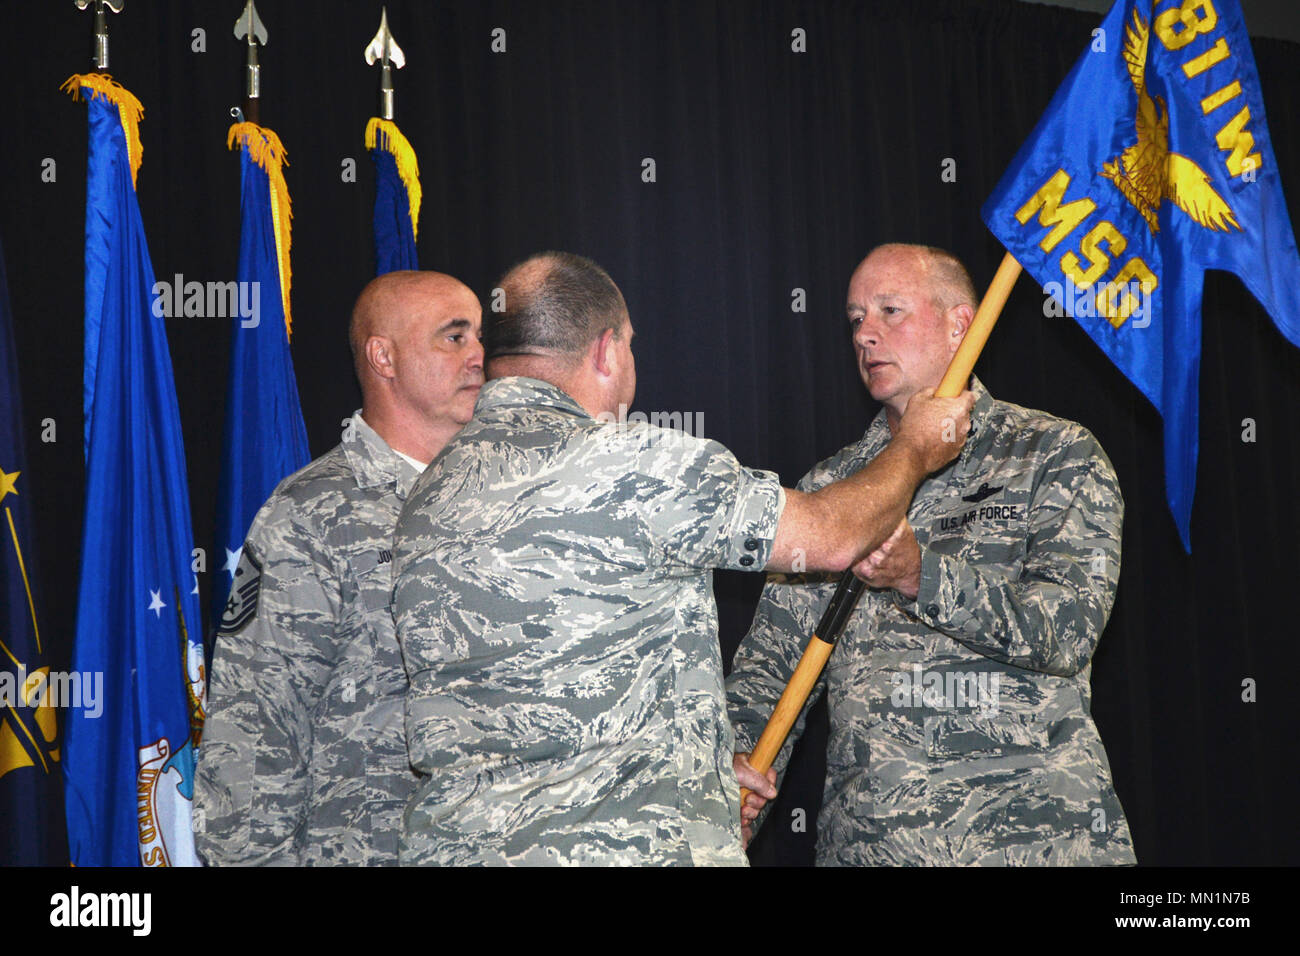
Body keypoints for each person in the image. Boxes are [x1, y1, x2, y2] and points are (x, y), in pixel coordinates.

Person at [392, 250, 973, 865]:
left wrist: (705, 773)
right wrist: (912, 447)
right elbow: (830, 537)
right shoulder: (642, 464)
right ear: (607, 349)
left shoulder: (423, 498)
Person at [727, 243, 1136, 865]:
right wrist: (733, 764)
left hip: (1036, 839)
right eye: (855, 317)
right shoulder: (831, 491)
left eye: (890, 310)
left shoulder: (1053, 454)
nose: (865, 333)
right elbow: (770, 667)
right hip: (876, 844)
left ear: (960, 325)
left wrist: (925, 576)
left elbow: (1069, 630)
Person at [194, 270, 484, 865]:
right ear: (384, 356)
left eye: (480, 335)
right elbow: (256, 728)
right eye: (454, 337)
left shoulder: (502, 496)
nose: (480, 355)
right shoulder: (309, 514)